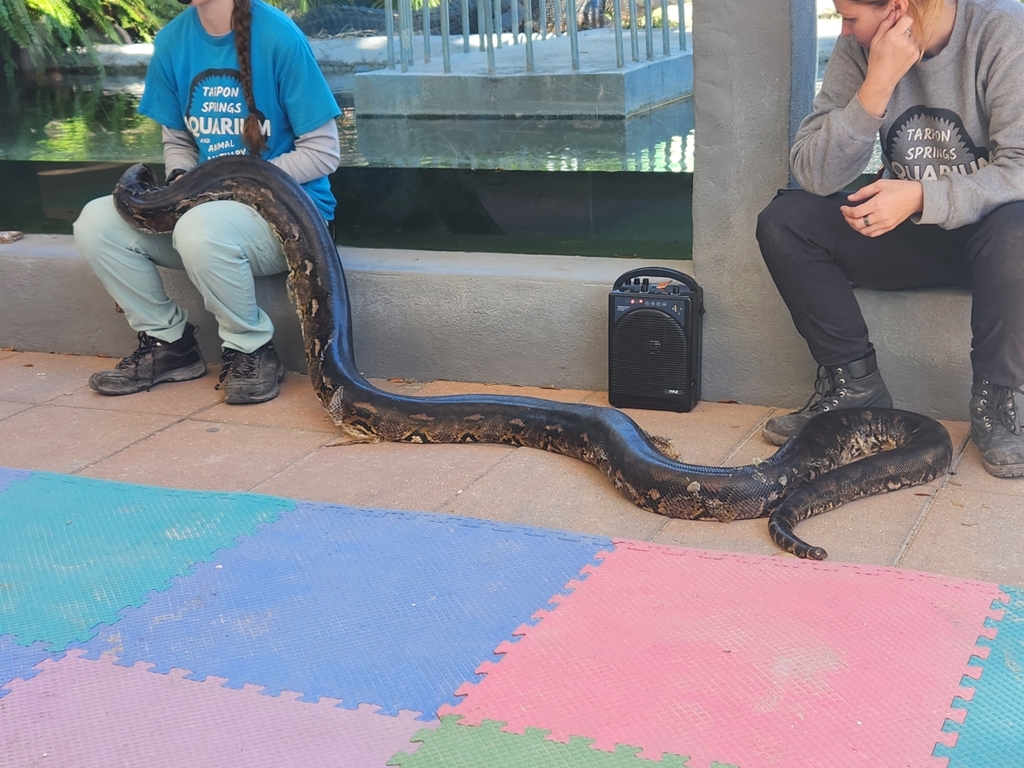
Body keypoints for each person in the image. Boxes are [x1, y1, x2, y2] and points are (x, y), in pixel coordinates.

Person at [756, 0, 1024, 477]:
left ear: (898, 7)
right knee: (786, 221)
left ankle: (1002, 403)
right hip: (909, 236)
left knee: (1017, 228)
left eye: (850, 17)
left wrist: (923, 195)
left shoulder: (1000, 30)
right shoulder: (860, 50)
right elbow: (815, 173)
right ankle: (855, 387)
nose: (843, 31)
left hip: (992, 239)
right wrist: (875, 85)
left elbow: (1020, 165)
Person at [74, 0, 341, 404]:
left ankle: (251, 349)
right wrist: (183, 180)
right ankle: (169, 345)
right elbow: (178, 141)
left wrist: (234, 182)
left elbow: (323, 152)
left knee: (201, 227)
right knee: (96, 221)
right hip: (200, 211)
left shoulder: (278, 36)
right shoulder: (172, 41)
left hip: (288, 223)